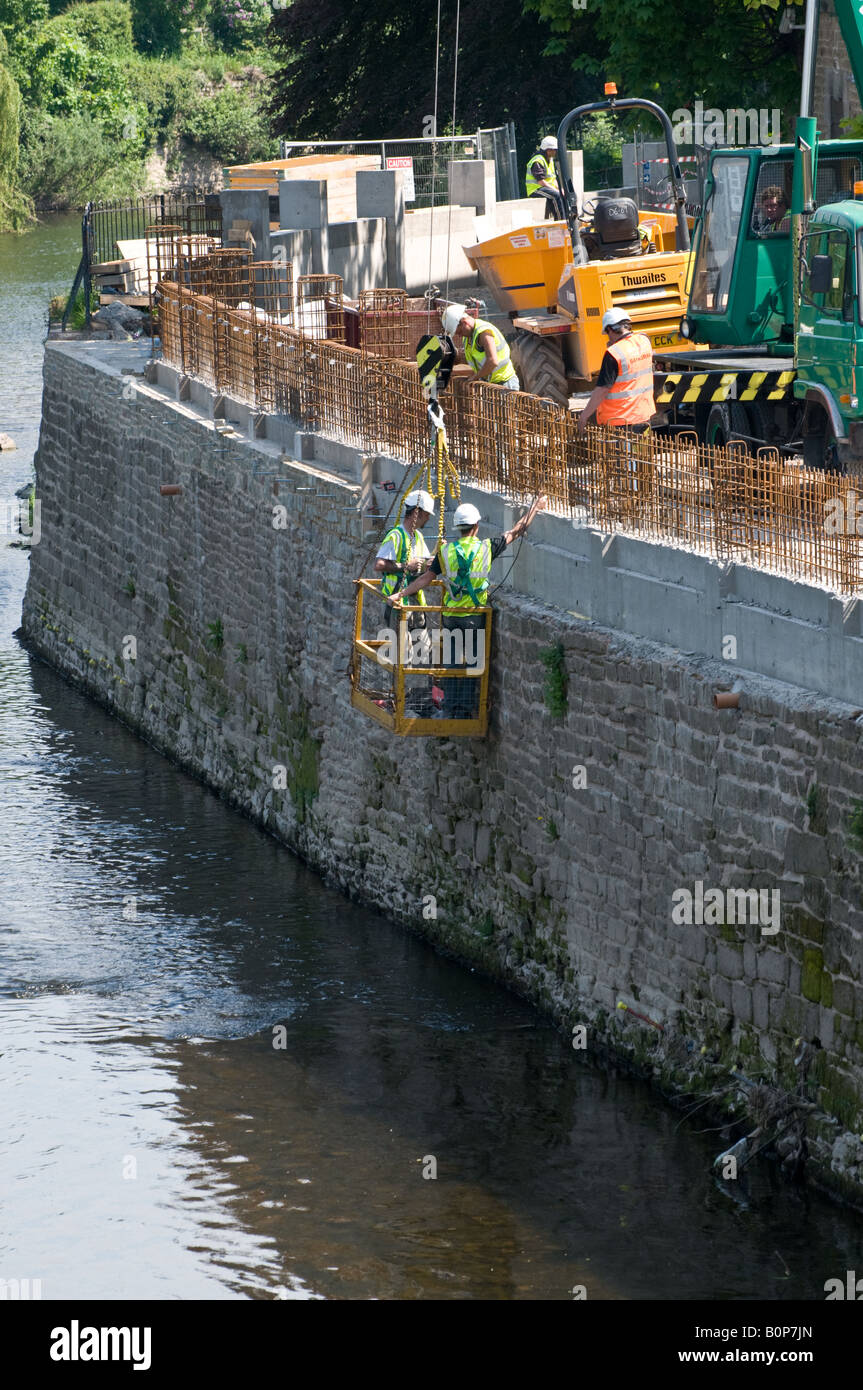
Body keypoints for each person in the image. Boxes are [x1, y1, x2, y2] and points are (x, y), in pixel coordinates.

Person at [392, 495, 547, 718]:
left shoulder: (446, 552)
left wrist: (401, 593)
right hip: (475, 616)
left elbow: (425, 578)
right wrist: (535, 507)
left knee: (453, 663)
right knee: (472, 663)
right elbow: (516, 531)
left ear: (458, 528)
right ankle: (464, 711)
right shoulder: (486, 548)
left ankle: (449, 709)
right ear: (476, 527)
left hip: (452, 615)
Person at [374, 489, 435, 711]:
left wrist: (432, 561)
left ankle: (417, 699)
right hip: (398, 605)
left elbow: (424, 562)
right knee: (401, 653)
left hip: (415, 603)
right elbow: (379, 564)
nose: (428, 518)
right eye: (426, 514)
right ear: (416, 512)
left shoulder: (417, 537)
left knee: (422, 651)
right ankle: (395, 698)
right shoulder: (396, 536)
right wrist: (404, 567)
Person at [576, 307, 655, 436]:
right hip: (643, 416)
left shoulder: (613, 353)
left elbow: (602, 389)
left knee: (622, 456)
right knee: (642, 455)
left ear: (610, 329)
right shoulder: (644, 342)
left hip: (621, 422)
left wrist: (584, 416)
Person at [440, 304, 520, 391]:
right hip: (490, 384)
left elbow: (492, 362)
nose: (459, 335)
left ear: (464, 322)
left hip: (505, 384)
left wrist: (475, 377)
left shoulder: (483, 332)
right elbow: (472, 359)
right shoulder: (468, 337)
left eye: (459, 331)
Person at [526, 135, 566, 221]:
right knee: (556, 195)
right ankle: (561, 220)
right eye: (554, 150)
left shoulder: (550, 160)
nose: (555, 152)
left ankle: (566, 218)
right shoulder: (537, 161)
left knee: (563, 194)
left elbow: (553, 179)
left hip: (545, 188)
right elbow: (541, 182)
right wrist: (557, 191)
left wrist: (561, 189)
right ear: (548, 150)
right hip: (535, 189)